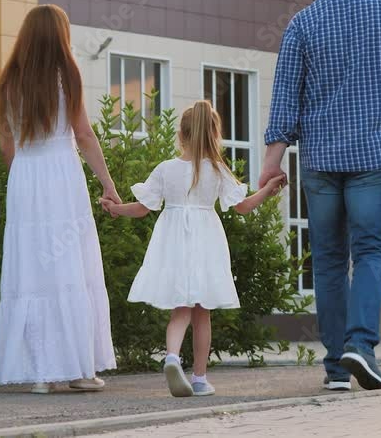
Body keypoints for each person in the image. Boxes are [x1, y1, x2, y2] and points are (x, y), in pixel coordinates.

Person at [260, 0, 381, 392]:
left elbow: (283, 105)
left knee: (329, 261)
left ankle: (337, 369)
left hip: (320, 160)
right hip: (372, 155)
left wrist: (269, 166)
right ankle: (362, 348)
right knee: (371, 252)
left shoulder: (302, 26)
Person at [100, 100, 286, 397]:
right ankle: (199, 378)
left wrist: (116, 209)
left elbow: (143, 208)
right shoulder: (217, 170)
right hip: (206, 242)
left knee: (180, 309)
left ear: (181, 135)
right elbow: (243, 207)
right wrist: (268, 189)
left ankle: (172, 356)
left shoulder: (166, 169)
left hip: (172, 241)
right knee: (203, 313)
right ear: (213, 135)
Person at [0, 4, 120, 394]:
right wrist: (108, 184)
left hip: (26, 177)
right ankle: (79, 371)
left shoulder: (10, 80)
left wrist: (22, 178)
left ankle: (40, 374)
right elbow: (83, 135)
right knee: (69, 269)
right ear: (60, 35)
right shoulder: (68, 75)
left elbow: (7, 143)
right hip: (62, 175)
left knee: (32, 271)